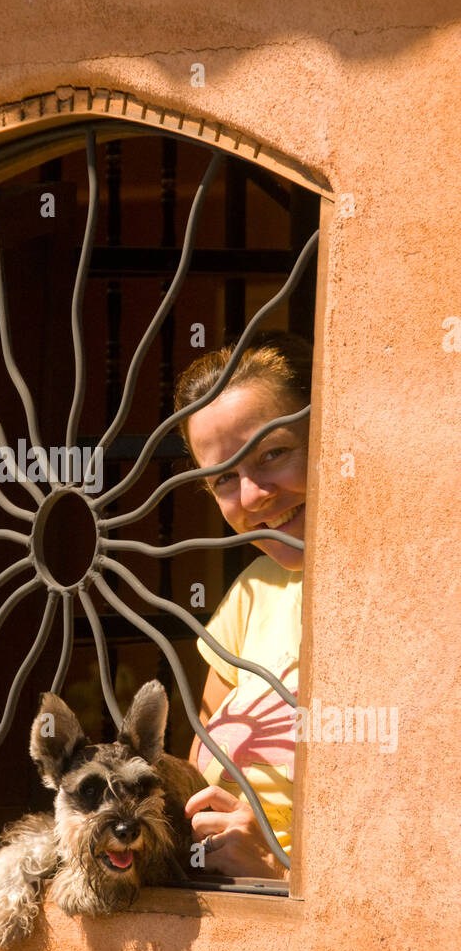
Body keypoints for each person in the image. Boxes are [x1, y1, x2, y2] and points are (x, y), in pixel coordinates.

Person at [173, 331, 312, 878]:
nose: (253, 495)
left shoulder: (410, 589)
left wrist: (278, 870)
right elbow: (190, 783)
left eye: (274, 453)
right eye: (224, 478)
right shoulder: (254, 590)